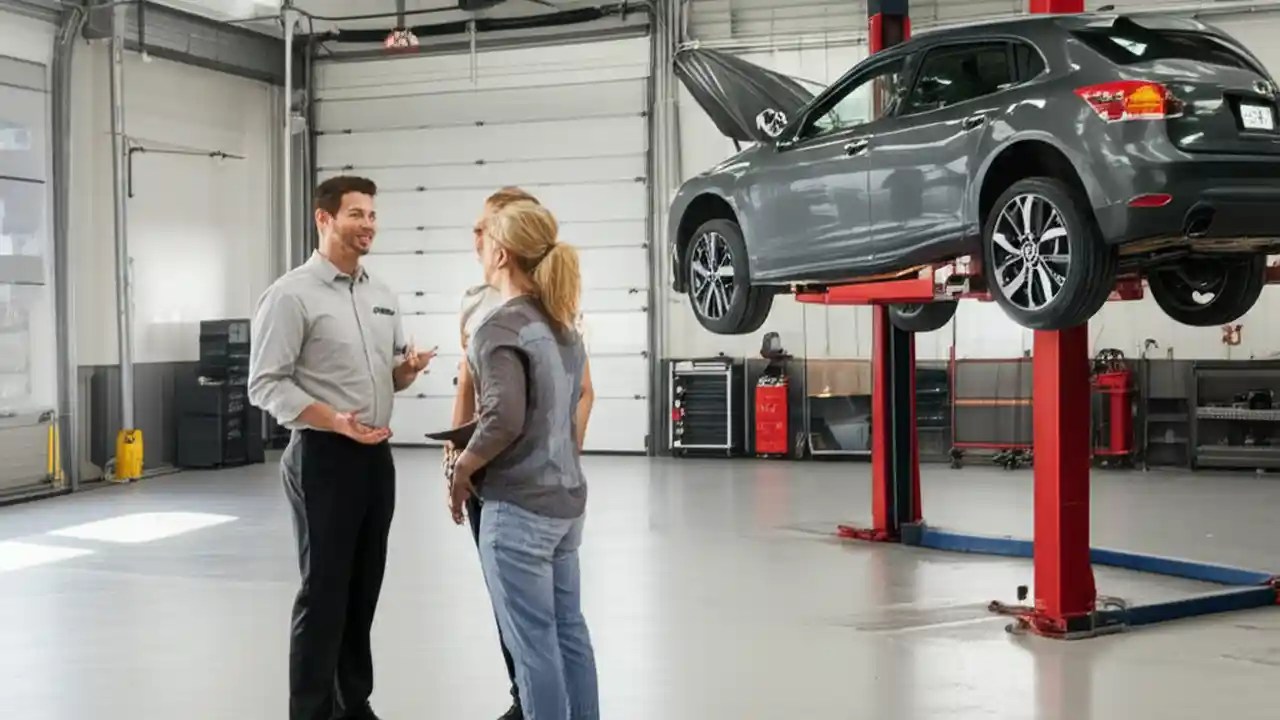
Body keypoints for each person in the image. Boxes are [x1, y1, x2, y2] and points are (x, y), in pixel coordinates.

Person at [248, 175, 435, 720]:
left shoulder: (382, 295)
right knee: (325, 590)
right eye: (356, 214)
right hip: (323, 456)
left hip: (375, 458)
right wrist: (334, 420)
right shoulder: (290, 295)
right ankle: (310, 710)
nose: (368, 225)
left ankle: (353, 702)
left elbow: (390, 376)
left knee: (363, 589)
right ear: (323, 219)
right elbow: (266, 384)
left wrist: (406, 370)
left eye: (372, 215)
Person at [448, 200, 600, 720]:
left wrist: (463, 468)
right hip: (565, 506)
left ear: (501, 252)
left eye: (484, 235)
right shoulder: (564, 325)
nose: (480, 243)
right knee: (569, 633)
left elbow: (503, 418)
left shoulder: (500, 327)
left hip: (519, 510)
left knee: (533, 646)